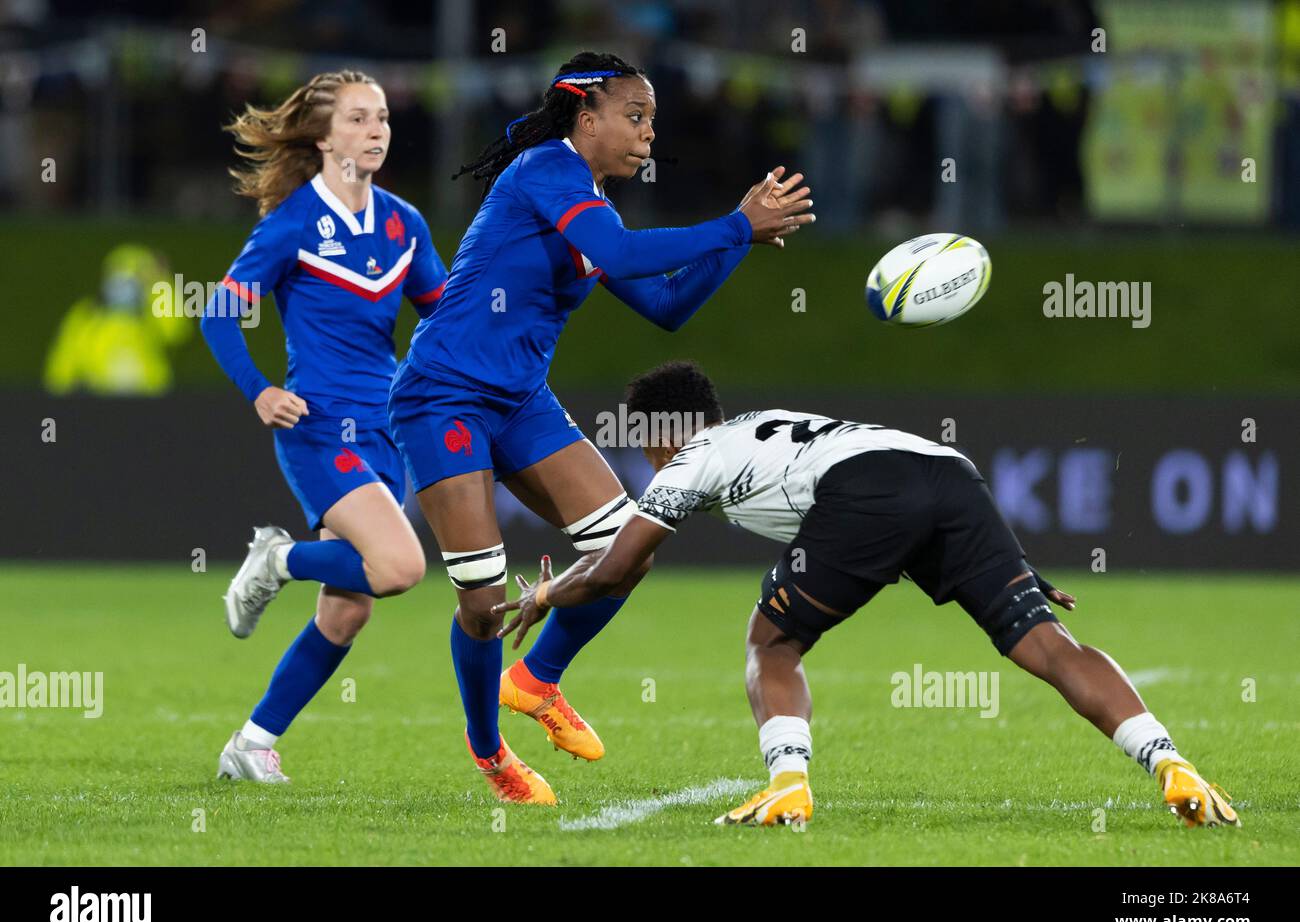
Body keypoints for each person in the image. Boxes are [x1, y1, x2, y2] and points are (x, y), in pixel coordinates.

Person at [493, 360, 1242, 829]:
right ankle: (1170, 762)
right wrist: (1008, 563)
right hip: (947, 472)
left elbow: (619, 565)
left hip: (867, 488)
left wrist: (548, 594)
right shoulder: (753, 426)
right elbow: (911, 488)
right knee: (1047, 644)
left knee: (772, 639)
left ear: (663, 431)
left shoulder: (689, 458)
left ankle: (787, 786)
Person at [387, 51, 814, 804]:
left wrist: (738, 243)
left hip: (520, 401)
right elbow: (619, 254)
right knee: (485, 604)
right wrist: (733, 223)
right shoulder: (545, 170)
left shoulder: (590, 203)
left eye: (653, 120)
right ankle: (489, 751)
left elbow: (667, 307)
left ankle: (536, 680)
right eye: (636, 117)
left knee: (627, 548)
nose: (649, 135)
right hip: (444, 394)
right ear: (587, 121)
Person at [200, 70, 446, 783]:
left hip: (383, 430)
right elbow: (220, 312)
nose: (377, 132)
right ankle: (275, 561)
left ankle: (250, 744)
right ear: (323, 136)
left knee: (346, 616)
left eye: (384, 118)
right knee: (400, 568)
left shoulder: (404, 222)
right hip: (316, 427)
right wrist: (258, 390)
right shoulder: (291, 224)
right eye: (360, 119)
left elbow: (439, 315)